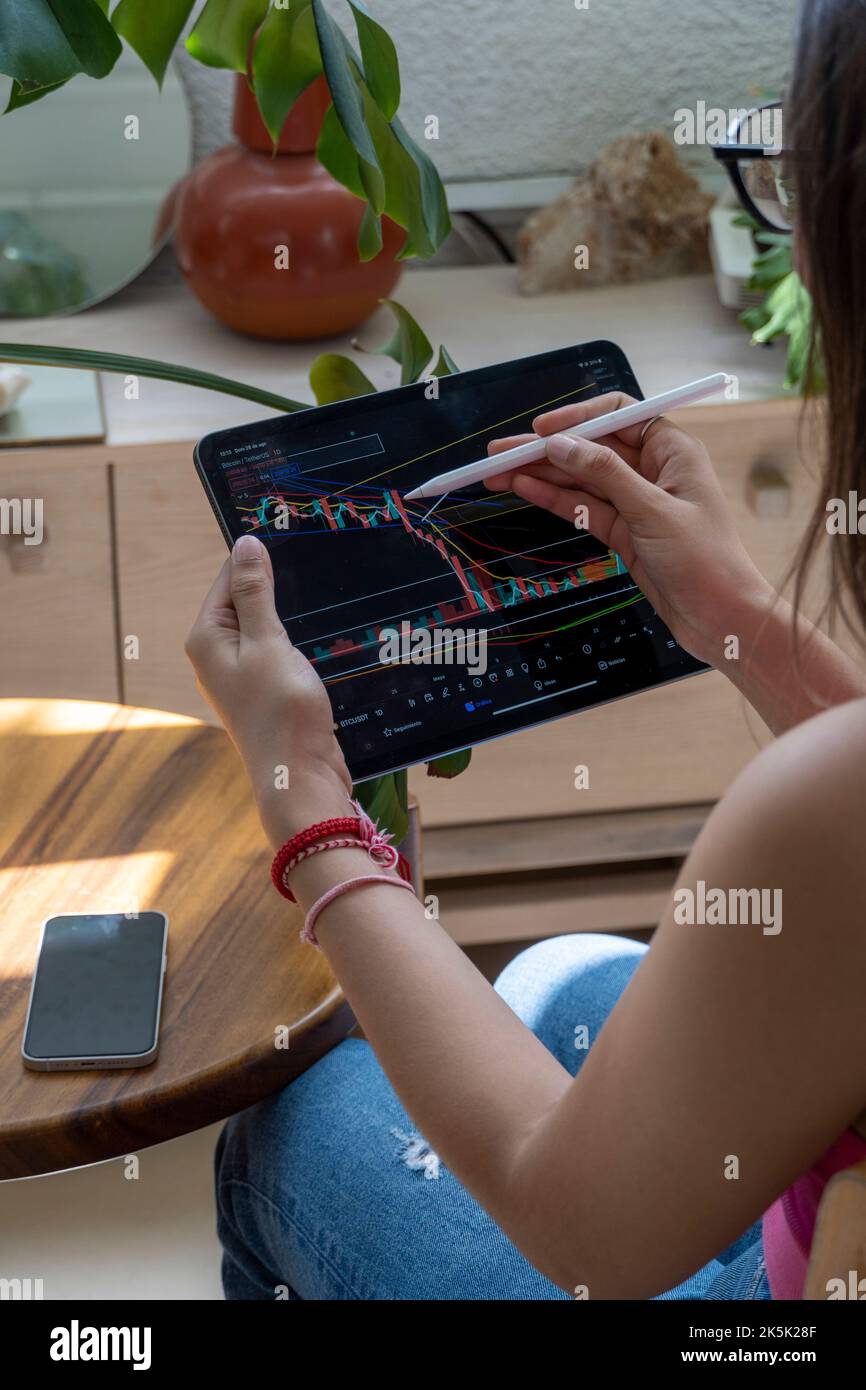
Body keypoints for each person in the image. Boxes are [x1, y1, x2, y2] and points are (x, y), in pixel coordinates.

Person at [184, 0, 866, 1300]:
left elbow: (589, 1234)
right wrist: (730, 609)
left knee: (294, 1111)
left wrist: (311, 810)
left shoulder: (820, 814)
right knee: (556, 982)